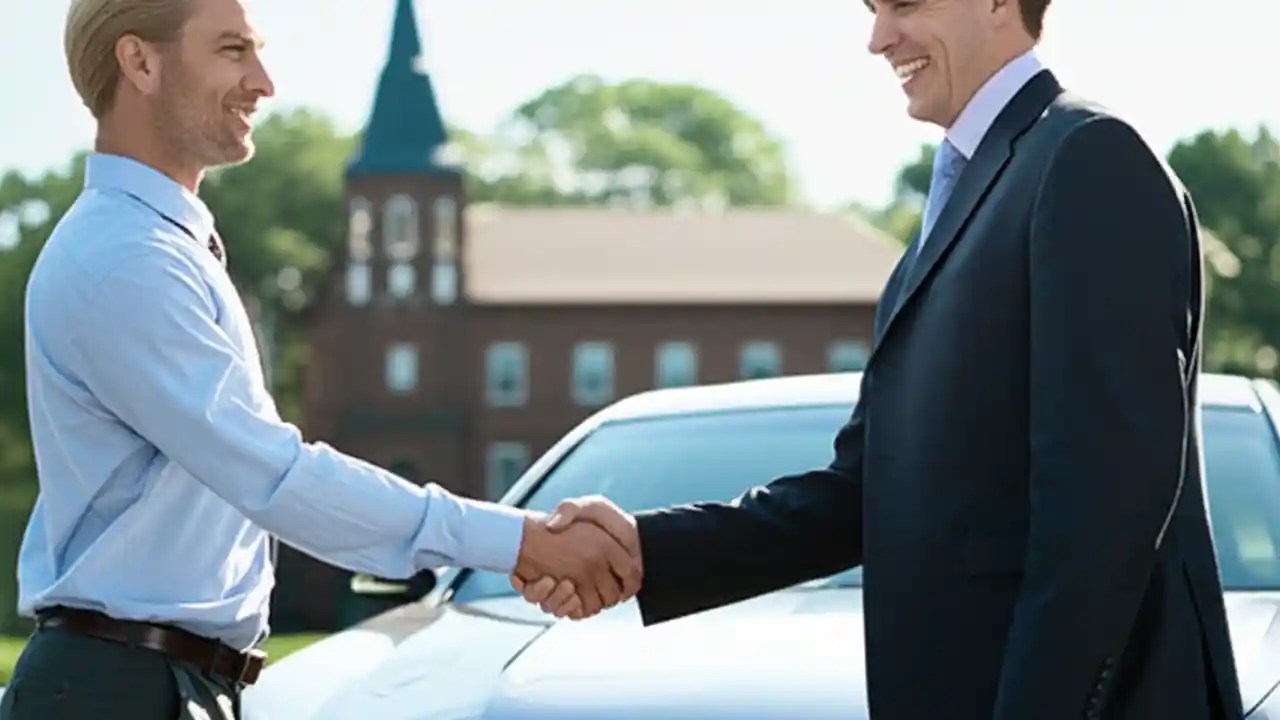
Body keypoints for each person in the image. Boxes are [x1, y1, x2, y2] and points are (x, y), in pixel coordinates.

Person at [515, 0, 1244, 718]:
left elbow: (1105, 508)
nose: (877, 38)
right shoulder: (951, 221)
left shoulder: (1088, 159)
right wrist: (648, 549)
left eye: (904, 4)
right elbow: (863, 493)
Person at [0, 1, 638, 718]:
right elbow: (275, 476)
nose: (265, 82)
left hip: (156, 681)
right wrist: (516, 540)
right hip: (122, 690)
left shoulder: (163, 249)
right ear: (140, 62)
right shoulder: (126, 262)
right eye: (233, 50)